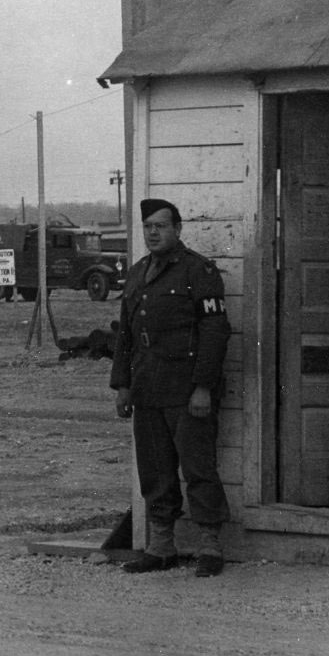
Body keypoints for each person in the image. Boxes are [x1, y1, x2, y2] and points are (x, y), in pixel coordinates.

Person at [108, 197, 233, 578]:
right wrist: (123, 385)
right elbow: (126, 335)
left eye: (161, 226)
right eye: (148, 227)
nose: (154, 233)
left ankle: (209, 546)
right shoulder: (137, 273)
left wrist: (202, 388)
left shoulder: (200, 271)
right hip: (147, 389)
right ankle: (162, 547)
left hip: (186, 391)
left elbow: (215, 332)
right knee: (156, 471)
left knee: (198, 468)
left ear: (178, 229)